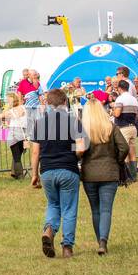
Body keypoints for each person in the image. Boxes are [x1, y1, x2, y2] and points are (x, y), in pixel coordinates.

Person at [30, 88, 86, 258]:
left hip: (47, 170)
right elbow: (81, 148)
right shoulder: (73, 121)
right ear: (64, 102)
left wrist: (34, 175)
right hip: (68, 169)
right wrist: (72, 153)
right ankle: (67, 247)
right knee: (69, 208)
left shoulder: (39, 123)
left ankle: (49, 230)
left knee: (53, 204)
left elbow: (35, 152)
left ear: (47, 103)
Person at [80, 97, 130, 256]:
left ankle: (99, 241)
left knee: (95, 209)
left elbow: (78, 152)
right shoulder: (111, 127)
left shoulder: (82, 130)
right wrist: (118, 160)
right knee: (106, 209)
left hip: (89, 173)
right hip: (109, 171)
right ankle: (103, 241)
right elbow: (124, 147)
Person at [0, 91, 28, 178]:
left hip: (14, 134)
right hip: (23, 133)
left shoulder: (10, 111)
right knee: (17, 155)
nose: (8, 102)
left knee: (16, 157)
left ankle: (20, 175)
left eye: (8, 100)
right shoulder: (23, 108)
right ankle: (14, 173)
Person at [111, 77, 138, 180]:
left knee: (123, 152)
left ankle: (126, 176)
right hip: (133, 127)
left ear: (119, 88)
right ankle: (133, 176)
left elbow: (117, 114)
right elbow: (137, 115)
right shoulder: (134, 99)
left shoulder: (120, 98)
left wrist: (112, 110)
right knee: (132, 153)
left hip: (123, 128)